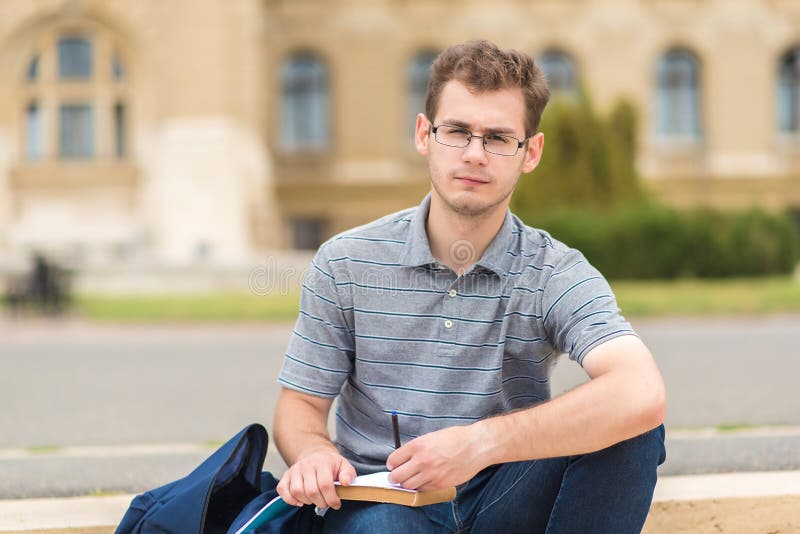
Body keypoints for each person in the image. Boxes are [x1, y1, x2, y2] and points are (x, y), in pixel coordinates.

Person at [273, 39, 666, 533]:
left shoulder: (554, 270)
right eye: (457, 132)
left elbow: (641, 390)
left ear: (531, 152)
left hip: (505, 493)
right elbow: (300, 407)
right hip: (387, 503)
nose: (475, 155)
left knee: (633, 430)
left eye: (499, 138)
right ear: (424, 134)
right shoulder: (346, 261)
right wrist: (312, 453)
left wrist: (477, 445)